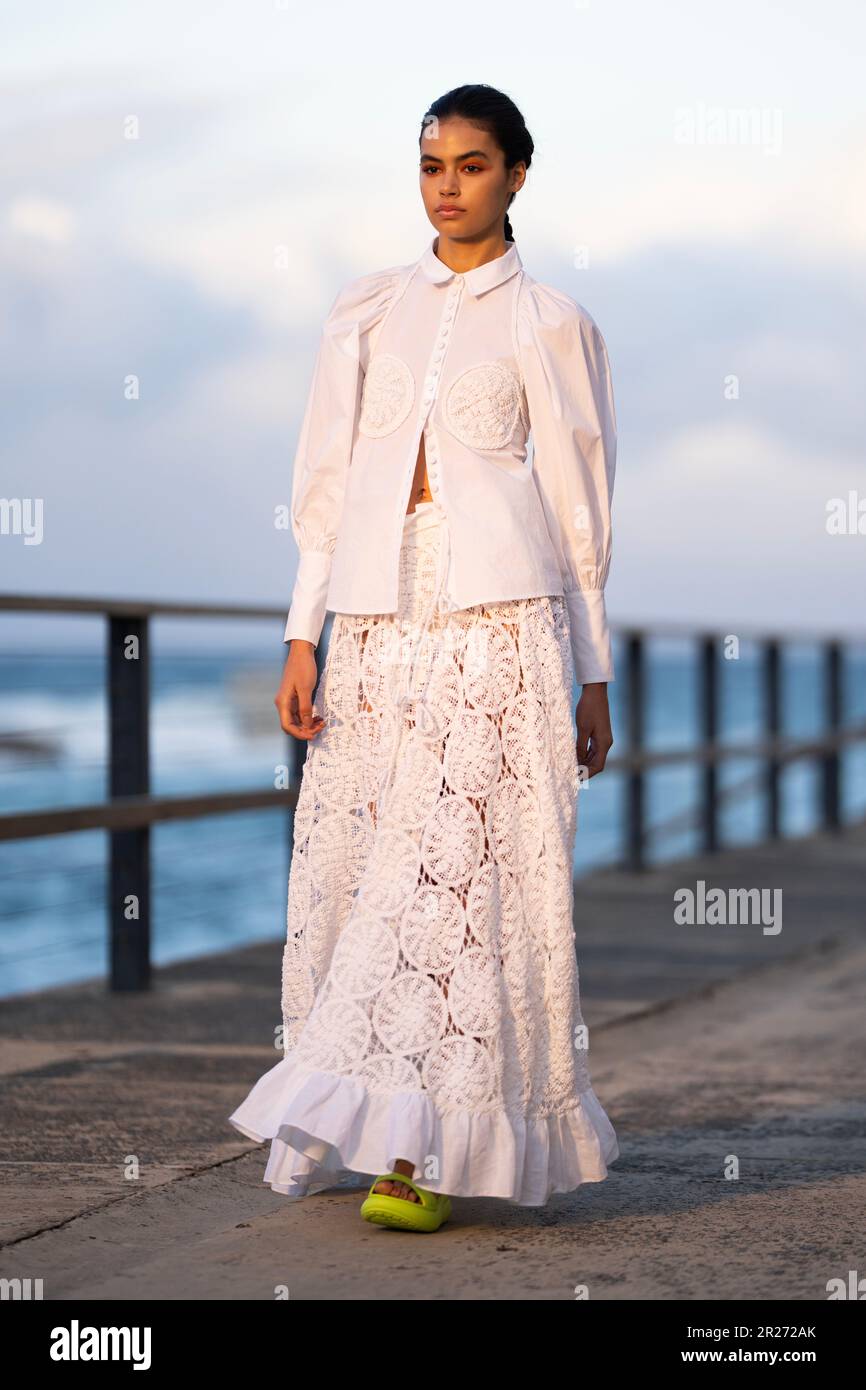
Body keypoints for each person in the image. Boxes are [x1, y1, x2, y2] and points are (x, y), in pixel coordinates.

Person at [228, 83, 620, 1233]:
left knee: (456, 887)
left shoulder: (551, 321)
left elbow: (579, 510)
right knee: (367, 882)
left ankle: (423, 1159)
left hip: (500, 628)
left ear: (516, 175)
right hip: (377, 631)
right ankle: (383, 1131)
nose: (446, 185)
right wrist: (302, 635)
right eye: (430, 165)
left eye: (470, 164)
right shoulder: (362, 310)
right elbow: (326, 491)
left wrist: (591, 672)